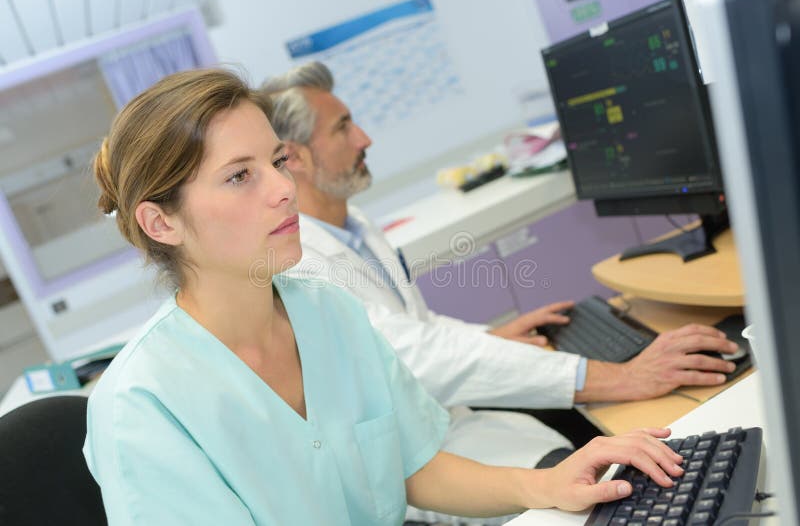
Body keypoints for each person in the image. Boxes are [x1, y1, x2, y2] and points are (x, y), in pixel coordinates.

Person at [82, 68, 685, 525]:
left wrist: (543, 488)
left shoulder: (328, 311)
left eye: (275, 162)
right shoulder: (141, 408)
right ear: (161, 223)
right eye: (241, 176)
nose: (284, 190)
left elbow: (413, 464)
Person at [260, 61, 740, 521]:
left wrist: (493, 336)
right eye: (343, 128)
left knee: (620, 449)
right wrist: (622, 377)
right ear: (295, 156)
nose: (364, 138)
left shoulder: (354, 224)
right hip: (429, 467)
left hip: (453, 425)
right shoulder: (303, 266)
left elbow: (416, 328)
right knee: (608, 484)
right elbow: (416, 354)